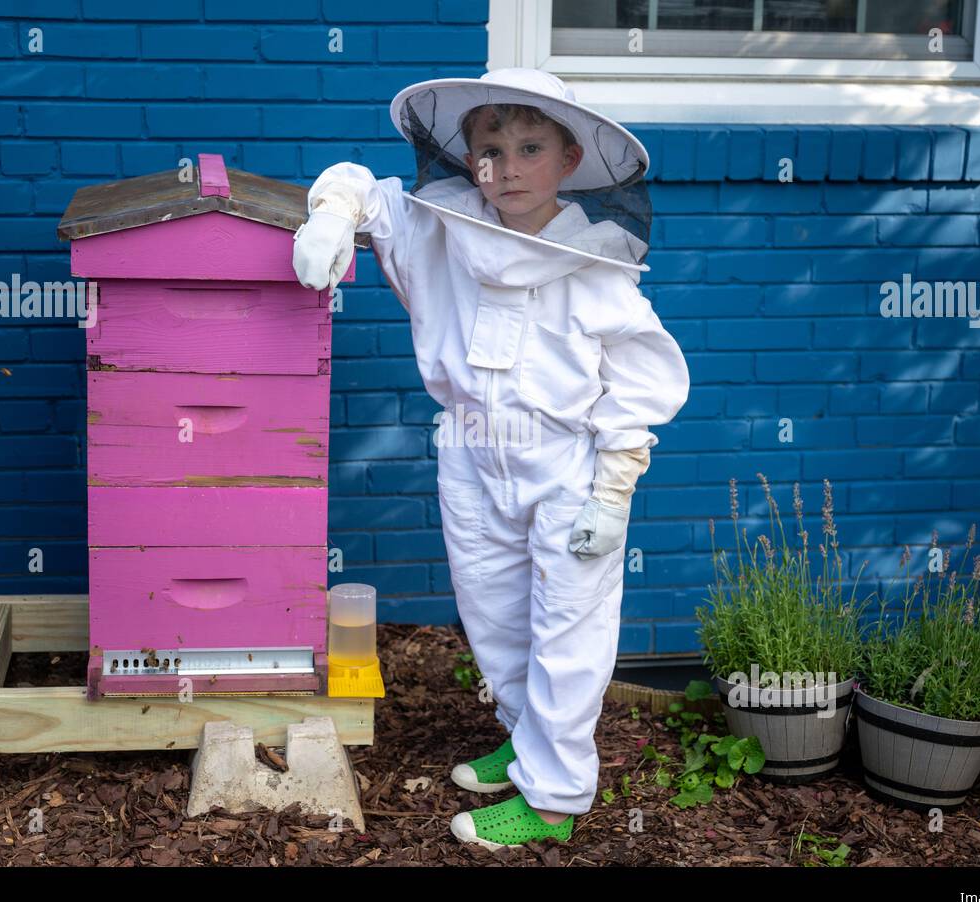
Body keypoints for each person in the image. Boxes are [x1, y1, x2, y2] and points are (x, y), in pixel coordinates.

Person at [293, 67, 690, 850]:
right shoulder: (443, 225)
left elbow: (645, 382)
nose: (506, 168)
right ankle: (526, 740)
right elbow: (361, 186)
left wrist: (613, 491)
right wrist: (334, 217)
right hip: (470, 451)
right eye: (489, 148)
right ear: (467, 159)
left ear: (569, 162)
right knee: (495, 615)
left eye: (529, 148)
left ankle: (555, 798)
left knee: (568, 628)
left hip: (565, 466)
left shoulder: (598, 269)